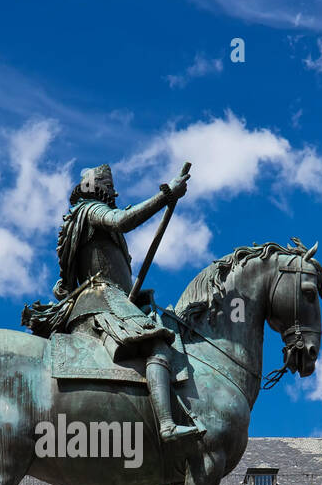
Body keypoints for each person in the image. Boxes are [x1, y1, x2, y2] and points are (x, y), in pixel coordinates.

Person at [23, 163, 201, 442]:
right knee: (157, 345)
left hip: (106, 299)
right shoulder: (90, 210)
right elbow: (122, 221)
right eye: (109, 187)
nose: (113, 193)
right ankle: (166, 424)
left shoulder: (80, 218)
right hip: (102, 302)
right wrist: (166, 196)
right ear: (101, 189)